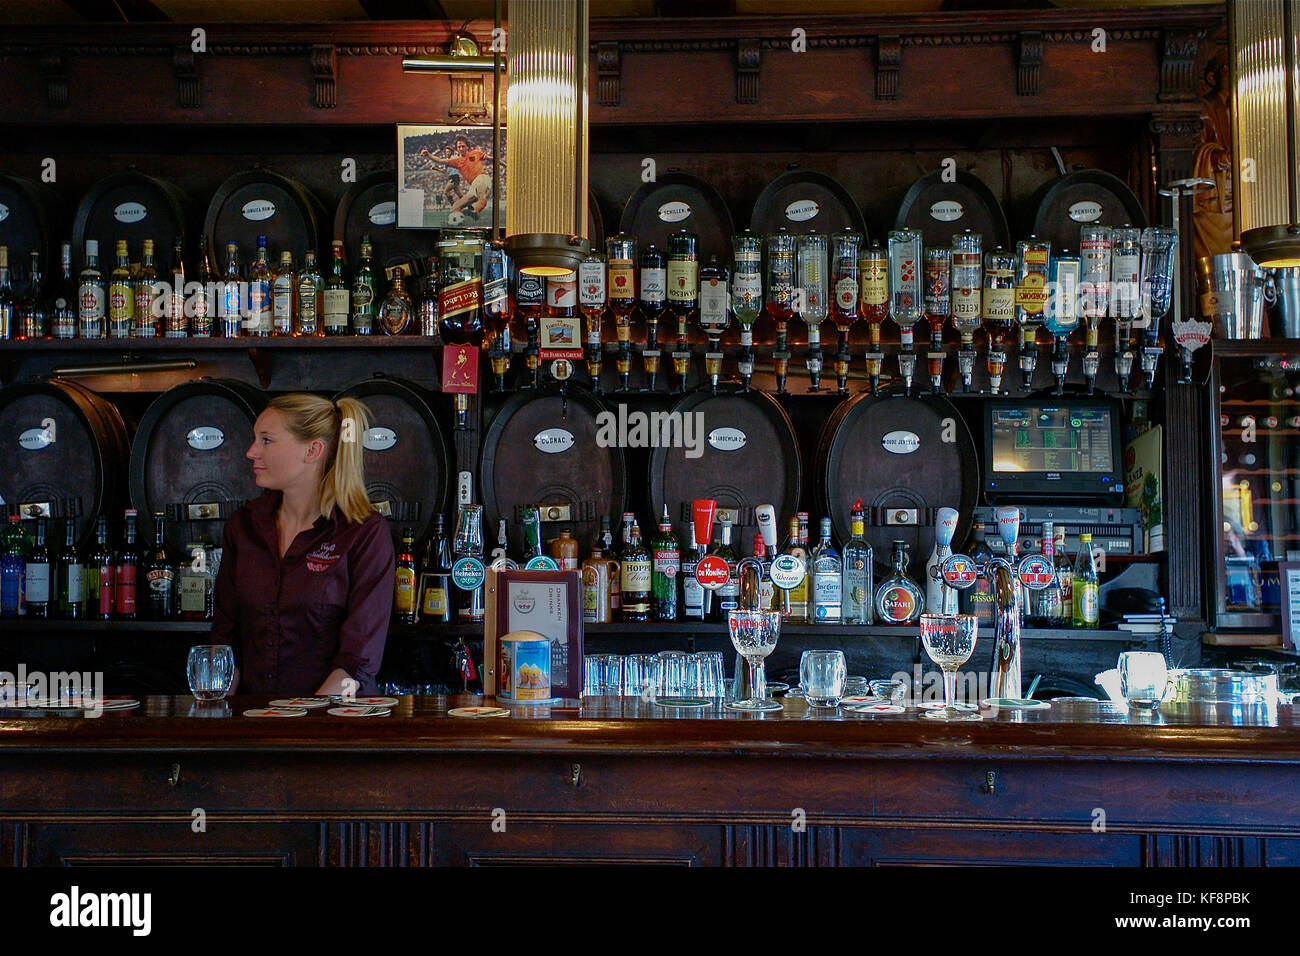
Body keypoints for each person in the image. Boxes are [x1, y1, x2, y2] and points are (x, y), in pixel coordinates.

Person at [212, 393, 395, 696]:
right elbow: (224, 642)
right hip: (253, 726)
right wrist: (220, 719)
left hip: (332, 727)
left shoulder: (363, 533)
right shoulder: (242, 527)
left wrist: (303, 725)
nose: (251, 452)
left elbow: (357, 663)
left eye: (266, 440)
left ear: (313, 450)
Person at [419, 136, 493, 219]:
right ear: (457, 149)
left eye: (463, 146)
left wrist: (506, 165)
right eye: (459, 147)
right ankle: (464, 215)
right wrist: (428, 154)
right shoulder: (456, 161)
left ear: (467, 147)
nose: (461, 148)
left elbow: (492, 159)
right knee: (455, 206)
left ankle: (475, 211)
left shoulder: (475, 153)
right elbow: (439, 160)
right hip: (472, 186)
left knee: (480, 193)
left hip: (482, 178)